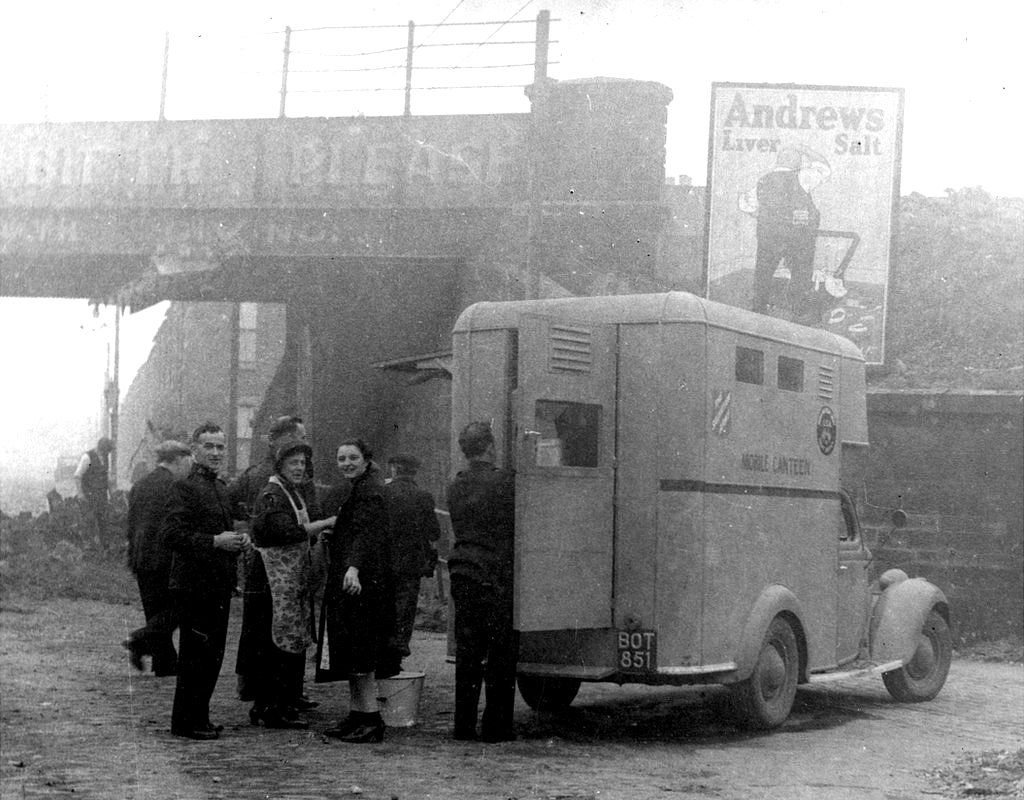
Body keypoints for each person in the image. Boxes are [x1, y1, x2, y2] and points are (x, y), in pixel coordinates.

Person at [161, 422, 246, 740]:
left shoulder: (220, 488)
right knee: (195, 655)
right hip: (193, 585)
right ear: (194, 449)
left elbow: (222, 533)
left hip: (218, 584)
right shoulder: (184, 487)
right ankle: (185, 722)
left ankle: (200, 716)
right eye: (208, 446)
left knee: (212, 655)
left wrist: (237, 540)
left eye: (220, 447)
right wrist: (215, 541)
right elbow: (171, 534)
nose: (215, 452)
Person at [230, 415, 319, 712]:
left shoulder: (297, 474)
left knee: (288, 629)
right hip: (271, 568)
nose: (302, 446)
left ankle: (288, 693)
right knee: (270, 633)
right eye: (298, 437)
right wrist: (247, 531)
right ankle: (268, 698)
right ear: (279, 442)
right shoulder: (264, 477)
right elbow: (237, 507)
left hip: (291, 567)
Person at [247, 440, 336, 728]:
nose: (299, 468)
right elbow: (284, 531)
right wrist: (324, 524)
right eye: (293, 463)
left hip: (290, 580)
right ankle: (271, 708)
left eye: (302, 463)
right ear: (280, 465)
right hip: (272, 580)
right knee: (274, 643)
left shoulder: (292, 492)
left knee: (288, 640)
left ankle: (280, 702)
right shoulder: (272, 494)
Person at [319, 439, 399, 744]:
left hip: (363, 582)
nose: (346, 463)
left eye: (353, 457)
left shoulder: (370, 491)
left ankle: (370, 719)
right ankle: (357, 715)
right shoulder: (360, 487)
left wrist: (353, 568)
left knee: (362, 651)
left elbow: (368, 533)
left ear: (366, 460)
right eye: (341, 458)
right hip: (353, 580)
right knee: (353, 651)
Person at [447, 421, 517, 743]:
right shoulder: (505, 481)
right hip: (494, 573)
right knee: (500, 651)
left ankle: (463, 726)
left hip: (463, 571)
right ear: (490, 446)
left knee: (468, 652)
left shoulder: (455, 484)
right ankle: (496, 727)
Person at [123, 440, 193, 676]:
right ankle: (140, 640)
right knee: (181, 607)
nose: (190, 466)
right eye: (188, 461)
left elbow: (131, 523)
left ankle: (165, 664)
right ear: (178, 460)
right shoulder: (176, 485)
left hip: (141, 555)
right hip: (166, 556)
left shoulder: (140, 484)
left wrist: (132, 554)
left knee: (154, 609)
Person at [744, 145, 831, 325]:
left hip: (769, 236)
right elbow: (824, 168)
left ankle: (758, 308)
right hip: (798, 237)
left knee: (763, 272)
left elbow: (746, 205)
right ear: (795, 161)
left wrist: (766, 217)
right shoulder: (802, 176)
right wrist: (806, 149)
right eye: (799, 159)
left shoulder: (763, 181)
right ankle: (798, 309)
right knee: (801, 273)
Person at [383, 454, 440, 667]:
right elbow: (434, 532)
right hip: (411, 564)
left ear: (394, 469)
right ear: (414, 472)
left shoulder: (383, 493)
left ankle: (383, 658)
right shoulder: (423, 496)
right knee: (404, 611)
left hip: (384, 562)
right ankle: (396, 658)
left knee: (385, 608)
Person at [74, 436, 114, 546]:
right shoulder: (88, 458)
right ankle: (90, 547)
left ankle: (104, 546)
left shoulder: (105, 458)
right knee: (89, 521)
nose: (106, 454)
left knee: (103, 521)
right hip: (89, 496)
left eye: (107, 453)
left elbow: (106, 477)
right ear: (100, 448)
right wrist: (80, 494)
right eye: (104, 452)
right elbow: (77, 476)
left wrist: (111, 494)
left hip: (101, 496)